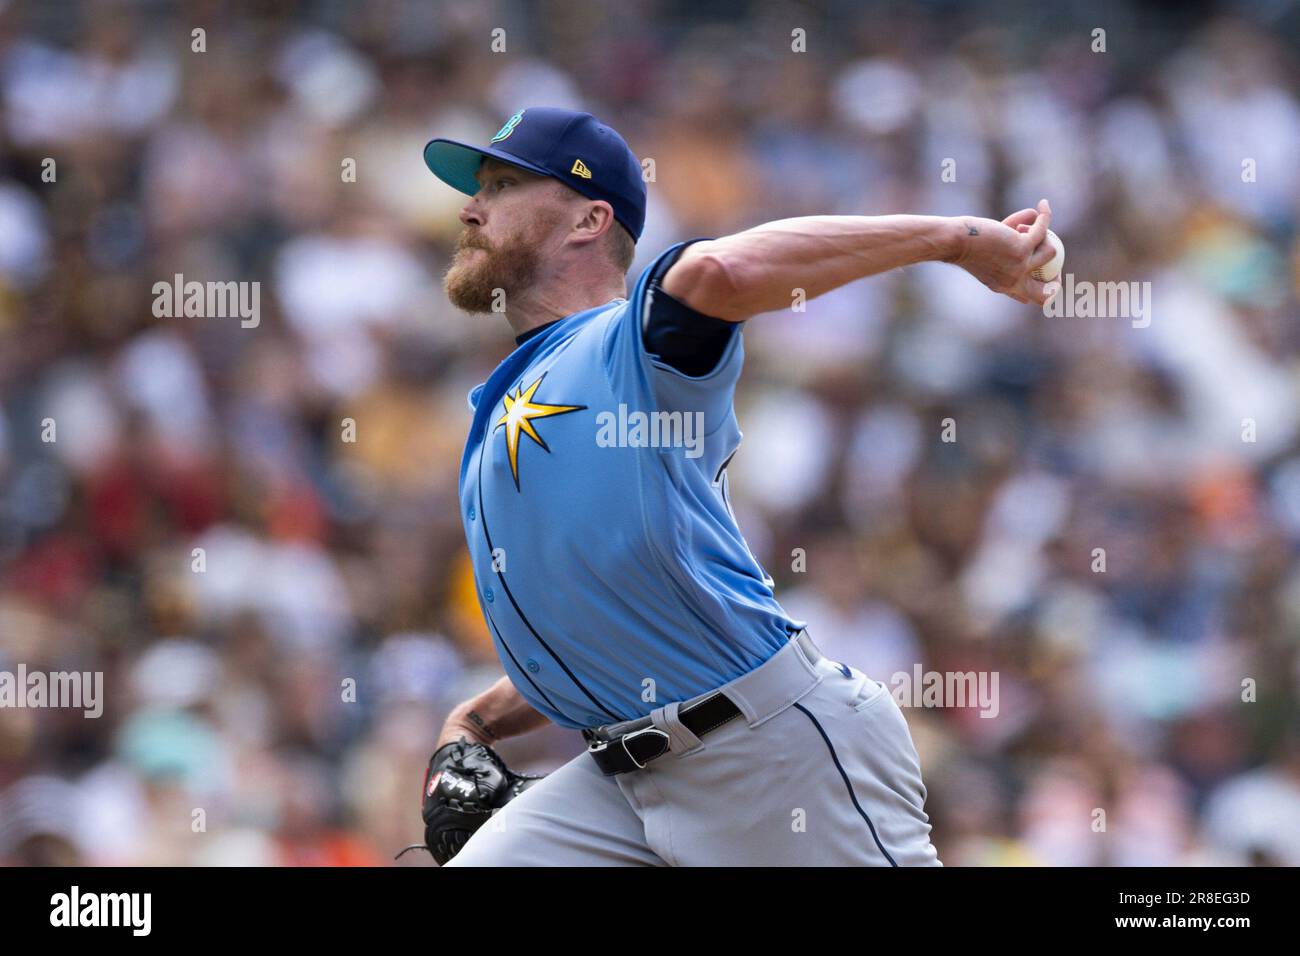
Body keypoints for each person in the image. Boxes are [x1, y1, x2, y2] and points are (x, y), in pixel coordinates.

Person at [419, 106, 1057, 866]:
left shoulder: (633, 347)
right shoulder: (509, 393)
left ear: (590, 219)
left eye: (501, 184)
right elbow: (618, 612)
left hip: (769, 755)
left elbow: (718, 273)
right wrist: (479, 718)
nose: (469, 205)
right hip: (623, 780)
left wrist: (958, 239)